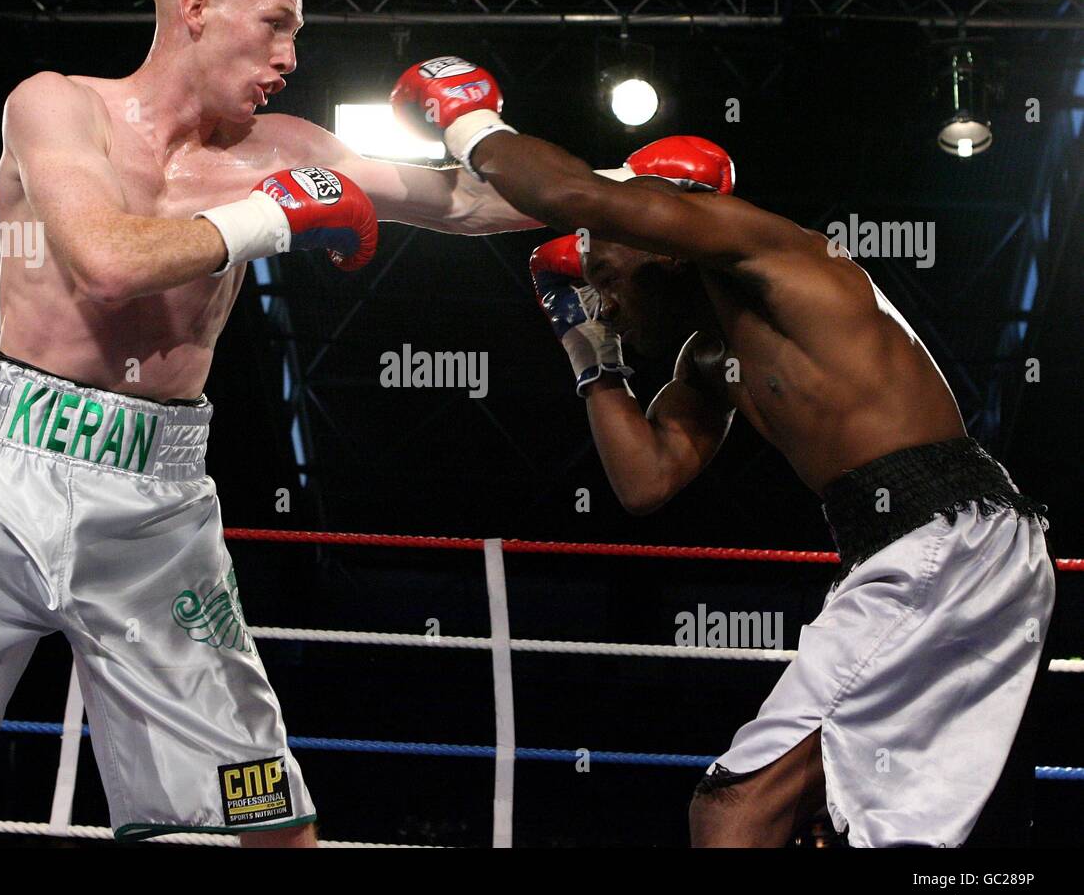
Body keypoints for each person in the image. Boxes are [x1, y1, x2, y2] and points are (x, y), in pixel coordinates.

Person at [0, 0, 537, 849]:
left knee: (270, 819)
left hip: (158, 514)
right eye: (274, 27)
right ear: (195, 10)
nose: (289, 58)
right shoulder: (58, 107)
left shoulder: (289, 146)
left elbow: (463, 201)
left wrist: (637, 193)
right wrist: (276, 213)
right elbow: (105, 261)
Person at [391, 57, 1056, 847]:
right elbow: (646, 480)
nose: (605, 299)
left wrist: (467, 119)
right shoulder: (712, 356)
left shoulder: (768, 251)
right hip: (912, 548)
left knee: (733, 809)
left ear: (665, 237)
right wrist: (587, 354)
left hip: (942, 538)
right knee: (866, 825)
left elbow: (570, 195)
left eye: (606, 269)